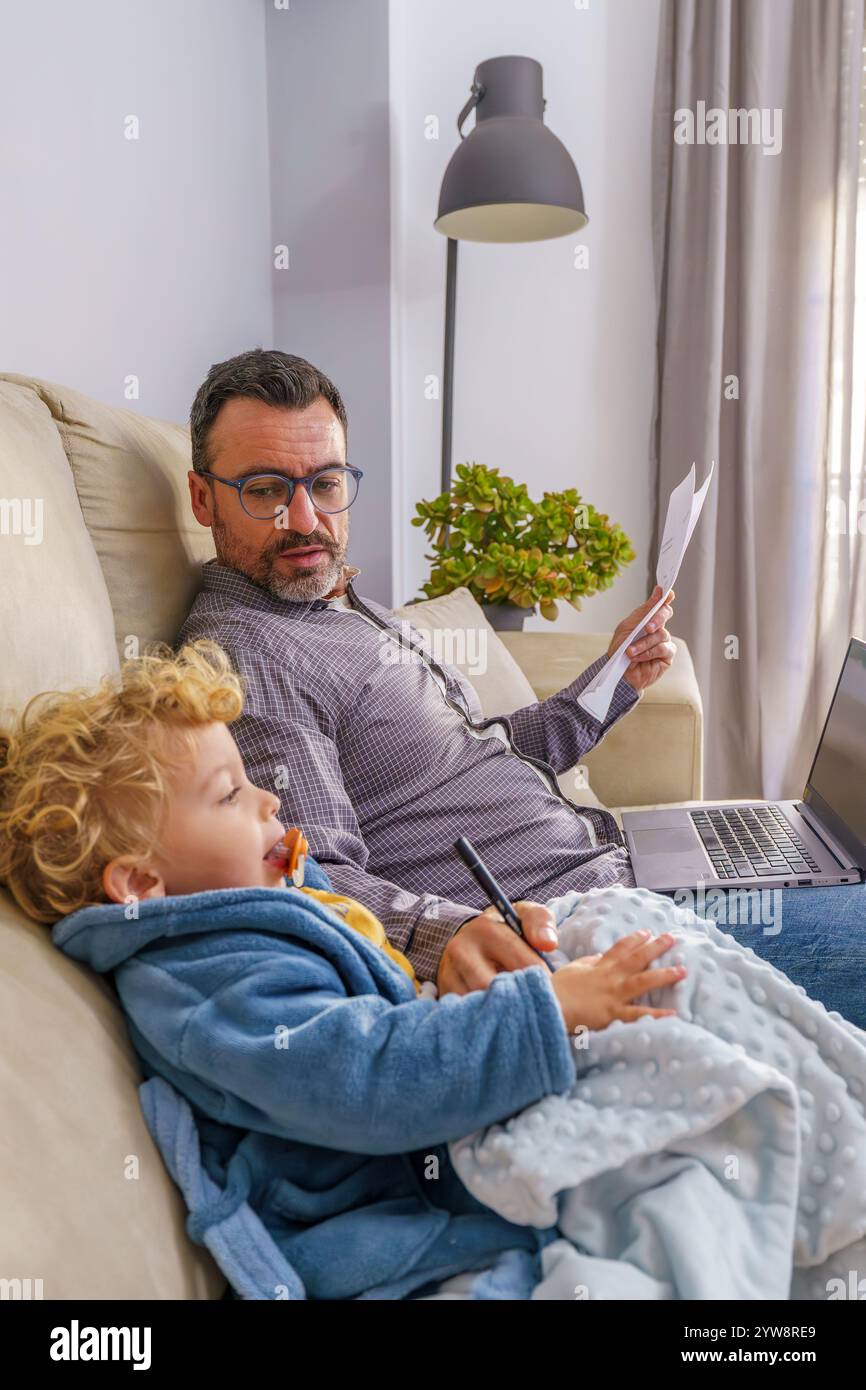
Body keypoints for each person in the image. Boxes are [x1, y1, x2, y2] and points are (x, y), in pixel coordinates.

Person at [178, 348, 866, 1028]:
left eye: (325, 484)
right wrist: (454, 937)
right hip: (585, 935)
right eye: (265, 490)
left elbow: (485, 749)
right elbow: (310, 874)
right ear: (204, 498)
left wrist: (614, 678)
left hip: (620, 874)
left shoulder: (334, 604)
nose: (305, 521)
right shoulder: (251, 657)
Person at [0, 641, 685, 1300]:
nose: (269, 801)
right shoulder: (208, 984)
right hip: (393, 1235)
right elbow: (373, 1076)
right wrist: (548, 1009)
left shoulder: (259, 898)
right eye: (229, 795)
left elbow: (377, 992)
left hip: (446, 1147)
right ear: (141, 883)